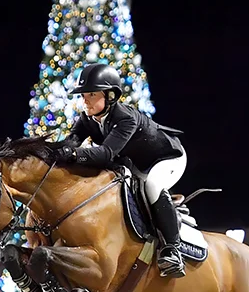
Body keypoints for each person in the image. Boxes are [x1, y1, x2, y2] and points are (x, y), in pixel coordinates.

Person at [55, 63, 188, 278]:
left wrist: (73, 155)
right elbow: (70, 142)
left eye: (91, 94)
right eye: (83, 95)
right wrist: (51, 152)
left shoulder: (125, 118)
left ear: (110, 96)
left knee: (152, 186)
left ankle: (172, 249)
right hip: (136, 163)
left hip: (166, 158)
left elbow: (106, 153)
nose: (84, 100)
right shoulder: (86, 118)